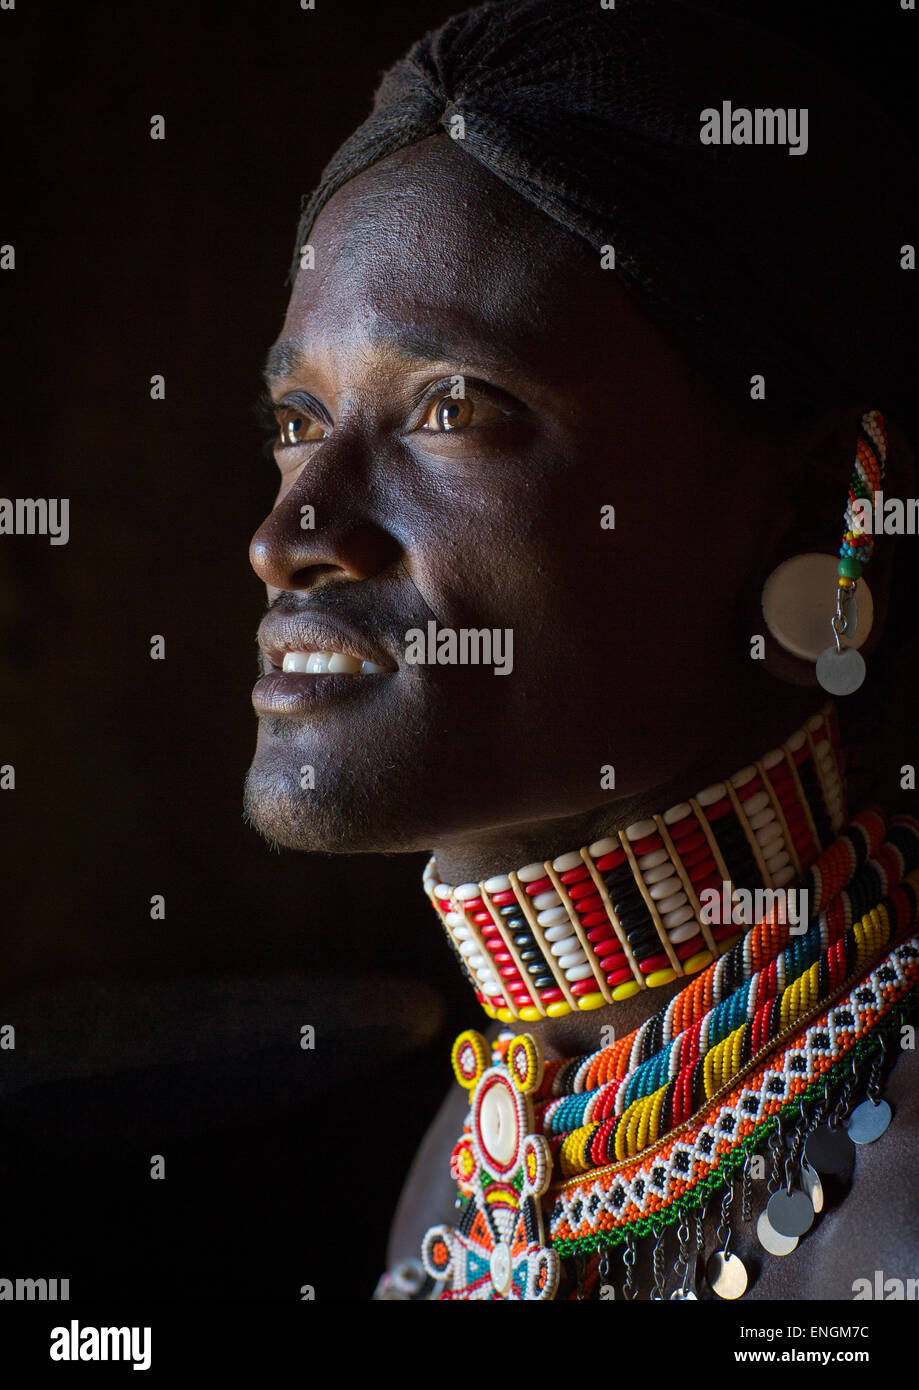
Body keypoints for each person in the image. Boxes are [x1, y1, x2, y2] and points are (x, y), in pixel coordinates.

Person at [244, 0, 919, 1300]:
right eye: (296, 415)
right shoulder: (470, 1171)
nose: (289, 535)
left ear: (831, 513)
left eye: (450, 408)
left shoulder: (889, 1220)